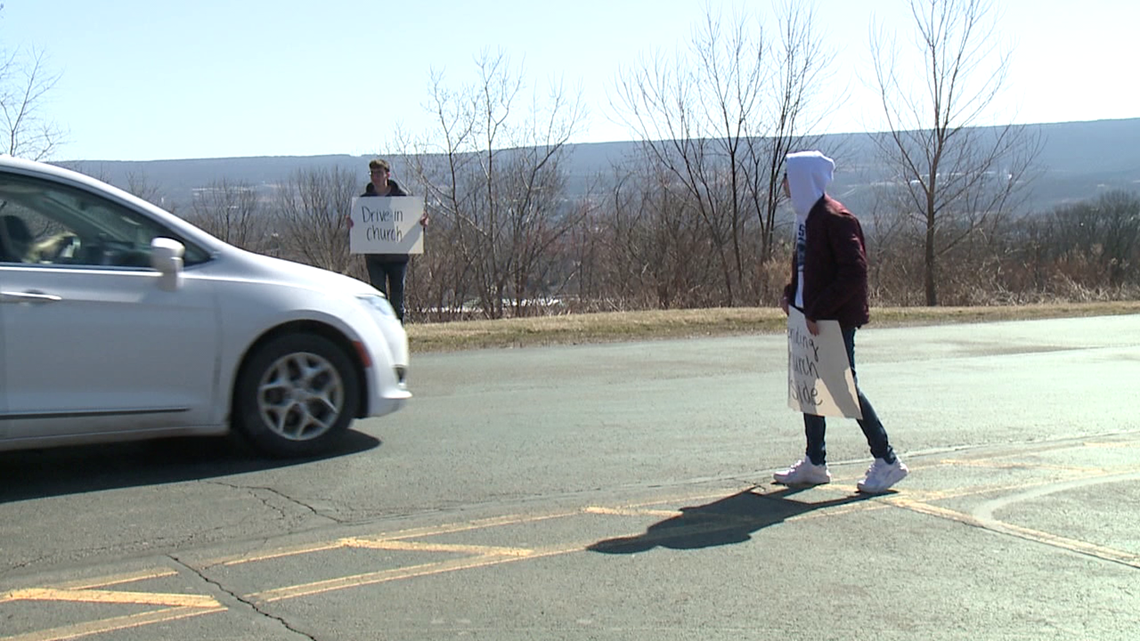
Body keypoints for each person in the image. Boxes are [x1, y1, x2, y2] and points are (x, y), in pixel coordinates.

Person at [773, 150, 909, 494]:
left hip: (831, 320)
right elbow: (806, 268)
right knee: (810, 388)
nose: (784, 185)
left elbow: (854, 273)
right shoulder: (805, 218)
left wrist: (819, 309)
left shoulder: (836, 218)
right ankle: (815, 462)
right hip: (809, 318)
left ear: (802, 178)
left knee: (842, 389)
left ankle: (887, 460)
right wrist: (792, 296)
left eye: (787, 177)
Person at [358, 158, 427, 323]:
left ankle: (397, 332)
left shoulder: (401, 198)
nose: (375, 177)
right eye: (372, 173)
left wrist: (423, 223)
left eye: (379, 173)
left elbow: (414, 222)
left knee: (397, 301)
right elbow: (359, 228)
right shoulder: (364, 200)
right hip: (374, 258)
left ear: (387, 175)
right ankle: (381, 332)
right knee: (378, 299)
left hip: (398, 258)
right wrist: (352, 225)